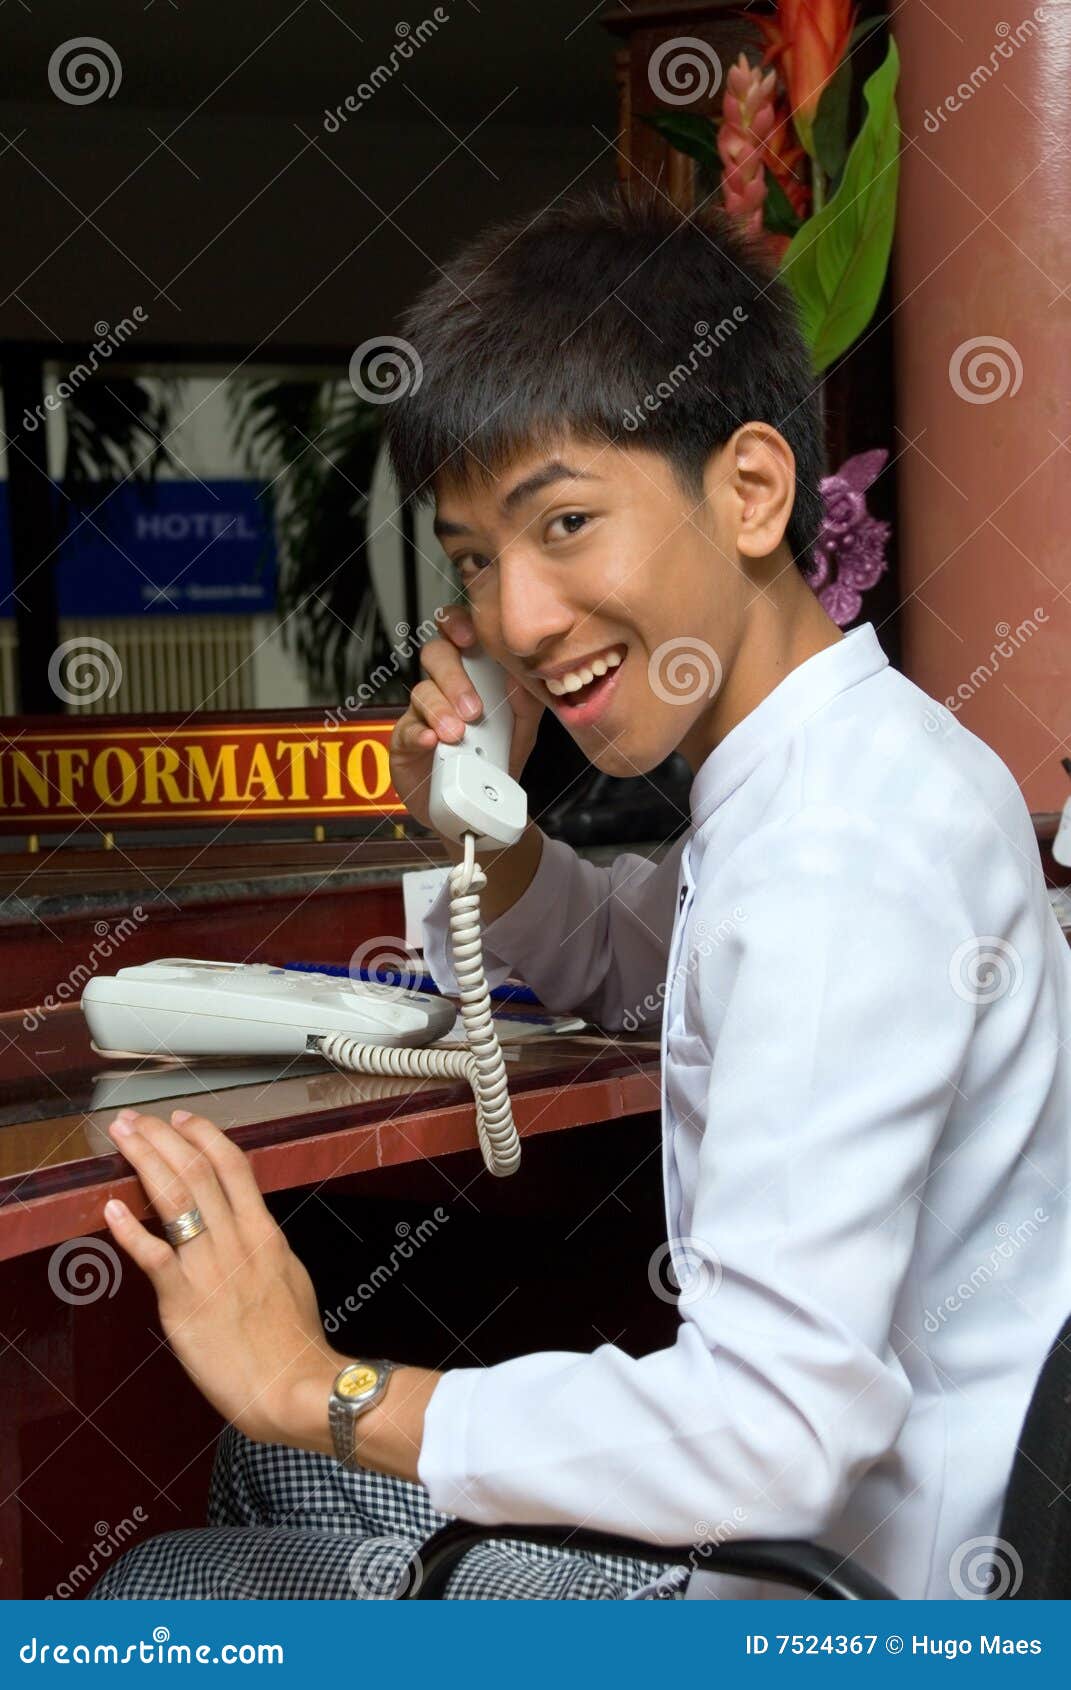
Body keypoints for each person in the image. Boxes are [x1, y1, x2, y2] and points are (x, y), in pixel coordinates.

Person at [88, 184, 1071, 1602]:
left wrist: (319, 1381)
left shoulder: (836, 858)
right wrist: (480, 823)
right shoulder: (847, 762)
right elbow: (630, 957)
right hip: (869, 1530)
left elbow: (771, 1434)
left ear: (750, 489)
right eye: (478, 558)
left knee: (166, 1584)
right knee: (273, 1471)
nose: (519, 619)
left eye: (563, 526)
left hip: (838, 1603)